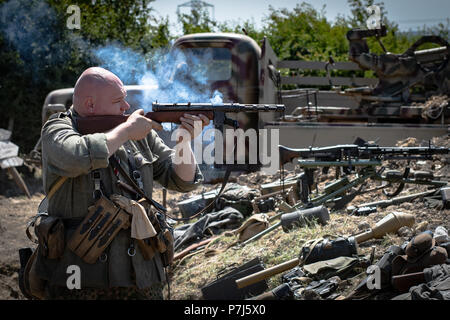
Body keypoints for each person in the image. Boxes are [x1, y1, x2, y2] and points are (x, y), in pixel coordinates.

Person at [37, 67, 209, 299]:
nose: (126, 107)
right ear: (90, 105)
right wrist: (126, 131)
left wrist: (184, 141)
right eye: (118, 100)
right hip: (81, 276)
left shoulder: (138, 132)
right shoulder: (58, 129)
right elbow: (76, 156)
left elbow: (181, 180)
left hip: (142, 273)